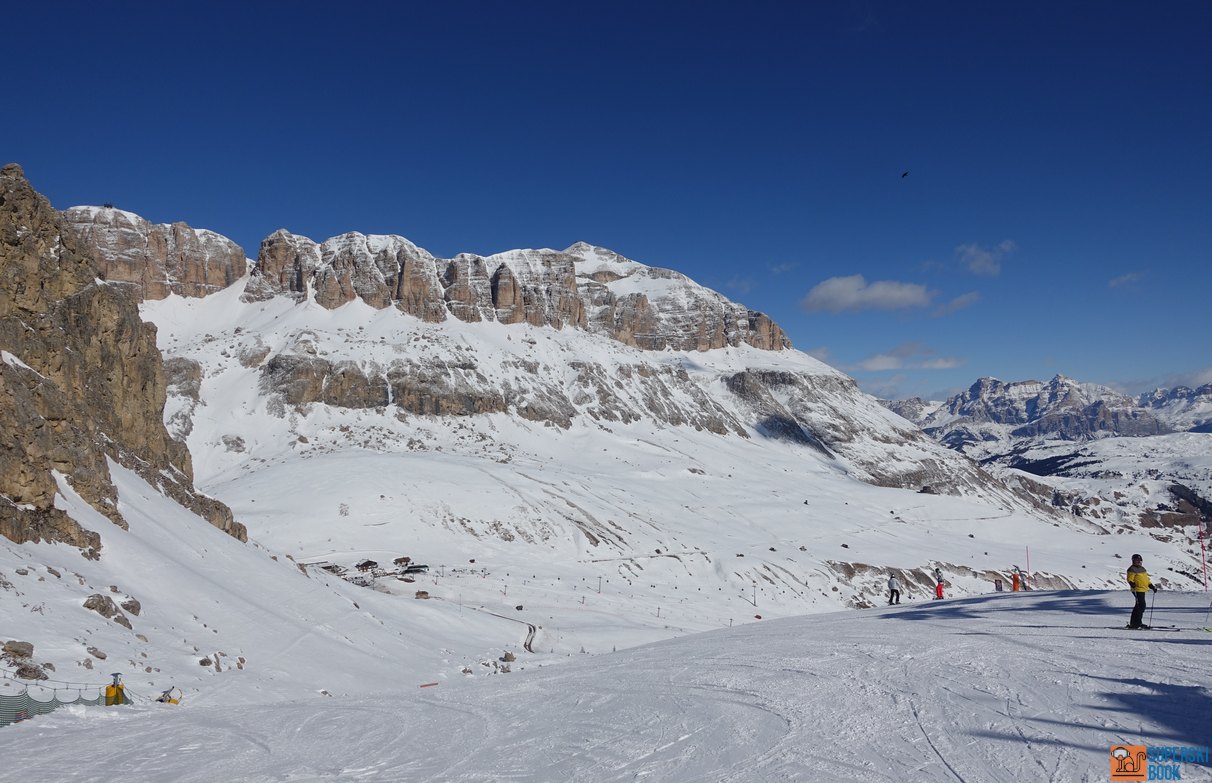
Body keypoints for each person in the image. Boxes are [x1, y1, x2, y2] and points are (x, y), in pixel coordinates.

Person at [1125, 553, 1158, 629]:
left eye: (1139, 560)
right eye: (1136, 560)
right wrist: (1131, 583)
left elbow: (1146, 579)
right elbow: (1129, 578)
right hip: (1137, 589)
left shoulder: (1142, 569)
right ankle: (1137, 623)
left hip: (1142, 589)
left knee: (1138, 606)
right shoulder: (1132, 569)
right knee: (1141, 606)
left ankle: (1135, 623)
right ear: (1133, 561)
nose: (1138, 562)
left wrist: (1151, 586)